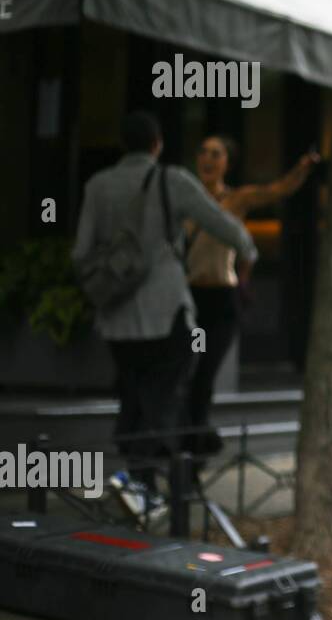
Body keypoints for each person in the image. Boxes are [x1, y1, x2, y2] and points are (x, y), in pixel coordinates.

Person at [72, 111, 258, 519]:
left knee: (135, 393)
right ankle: (159, 487)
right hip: (166, 313)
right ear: (157, 144)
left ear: (125, 144)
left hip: (117, 317)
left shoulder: (98, 186)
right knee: (167, 395)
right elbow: (226, 227)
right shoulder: (171, 180)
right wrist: (248, 253)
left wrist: (106, 284)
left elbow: (80, 254)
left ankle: (142, 485)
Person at [186, 135, 318, 461]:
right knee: (186, 376)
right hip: (188, 299)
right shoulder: (184, 198)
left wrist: (302, 169)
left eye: (216, 154)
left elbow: (278, 190)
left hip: (221, 300)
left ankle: (194, 448)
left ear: (227, 163)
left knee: (204, 374)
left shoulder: (237, 199)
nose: (208, 159)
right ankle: (192, 443)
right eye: (203, 151)